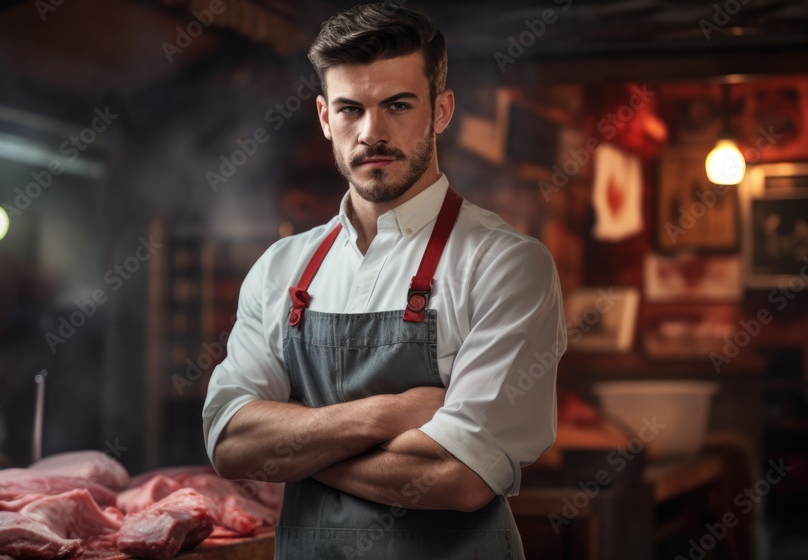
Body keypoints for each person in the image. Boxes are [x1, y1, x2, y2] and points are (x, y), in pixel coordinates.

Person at [202, 3, 566, 558]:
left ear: (441, 111)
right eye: (351, 109)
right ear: (325, 118)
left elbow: (459, 475)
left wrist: (296, 449)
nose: (372, 132)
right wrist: (392, 413)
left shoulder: (506, 265)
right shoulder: (281, 268)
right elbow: (231, 444)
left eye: (398, 105)